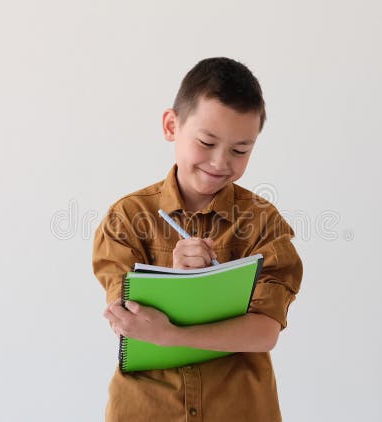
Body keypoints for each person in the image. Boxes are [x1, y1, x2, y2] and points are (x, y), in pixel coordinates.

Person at [92, 57, 303, 421]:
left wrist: (172, 333)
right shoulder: (126, 218)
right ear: (172, 126)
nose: (221, 162)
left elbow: (265, 332)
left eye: (240, 150)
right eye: (206, 142)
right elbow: (126, 320)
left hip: (240, 410)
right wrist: (174, 281)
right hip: (146, 409)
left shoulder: (264, 224)